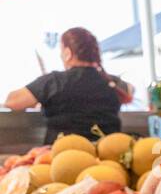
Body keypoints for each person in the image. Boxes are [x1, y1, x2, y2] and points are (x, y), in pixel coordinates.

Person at [4, 28, 133, 144]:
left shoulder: (55, 81)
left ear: (67, 53)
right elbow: (130, 90)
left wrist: (39, 101)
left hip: (64, 157)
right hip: (107, 157)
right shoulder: (111, 82)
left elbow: (12, 101)